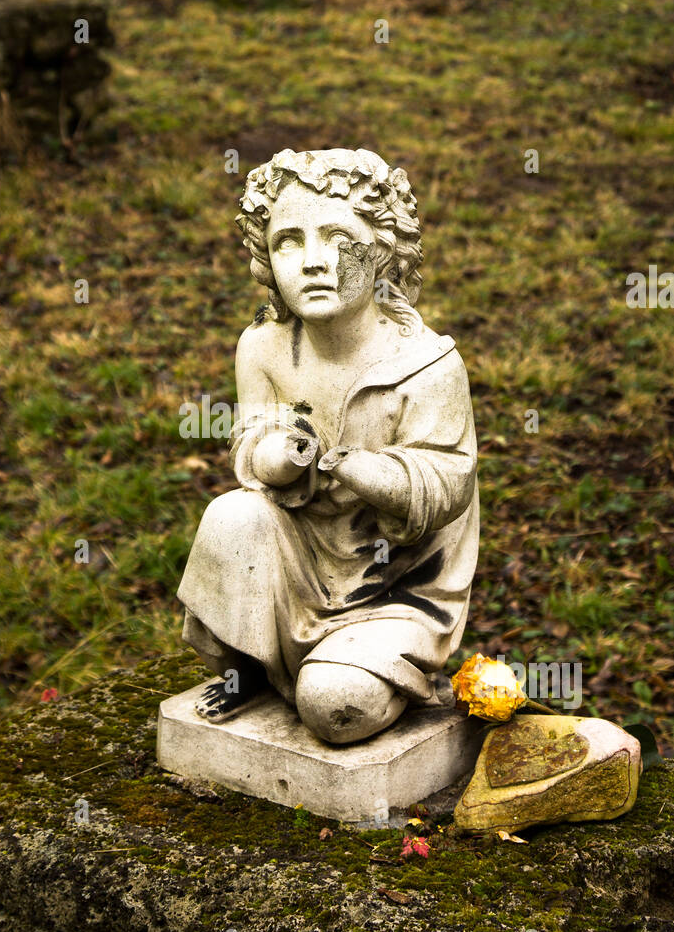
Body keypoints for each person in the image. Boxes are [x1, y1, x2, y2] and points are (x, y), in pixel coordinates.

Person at [177, 148, 479, 745]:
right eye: (289, 240)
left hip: (399, 584)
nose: (314, 262)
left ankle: (353, 666)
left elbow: (447, 485)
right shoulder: (263, 347)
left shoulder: (427, 365)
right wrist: (275, 457)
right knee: (233, 515)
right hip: (300, 557)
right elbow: (253, 444)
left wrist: (364, 469)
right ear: (266, 256)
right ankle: (252, 670)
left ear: (384, 251)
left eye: (339, 237)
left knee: (335, 707)